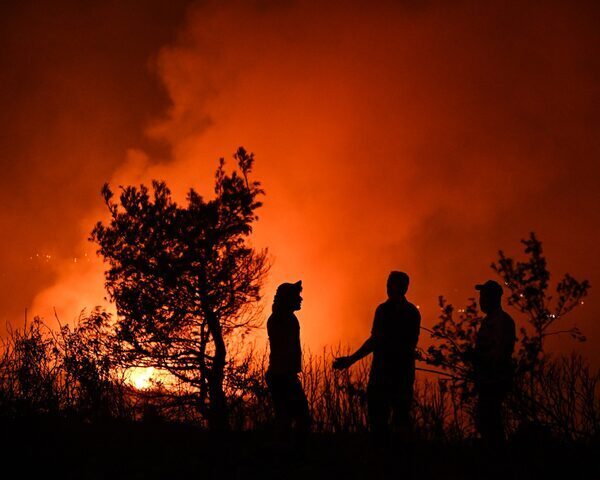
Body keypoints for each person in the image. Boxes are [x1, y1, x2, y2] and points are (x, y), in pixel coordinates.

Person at [333, 271, 421, 444]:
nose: (388, 287)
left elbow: (375, 341)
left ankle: (383, 460)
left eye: (391, 283)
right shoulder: (412, 312)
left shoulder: (384, 310)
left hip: (383, 375)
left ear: (402, 287)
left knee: (380, 423)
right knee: (400, 421)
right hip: (403, 375)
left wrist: (351, 359)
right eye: (388, 283)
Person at [266, 280, 311, 446]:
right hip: (282, 376)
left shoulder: (289, 318)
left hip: (284, 375)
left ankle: (287, 453)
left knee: (291, 419)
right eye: (296, 296)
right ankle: (289, 456)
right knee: (295, 419)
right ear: (287, 299)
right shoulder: (280, 319)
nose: (300, 299)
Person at [473, 280, 516, 447]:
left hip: (494, 380)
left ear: (493, 298)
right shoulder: (489, 321)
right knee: (487, 422)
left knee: (491, 422)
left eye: (484, 297)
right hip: (488, 379)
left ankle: (496, 459)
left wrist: (478, 359)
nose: (481, 300)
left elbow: (498, 354)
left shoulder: (500, 322)